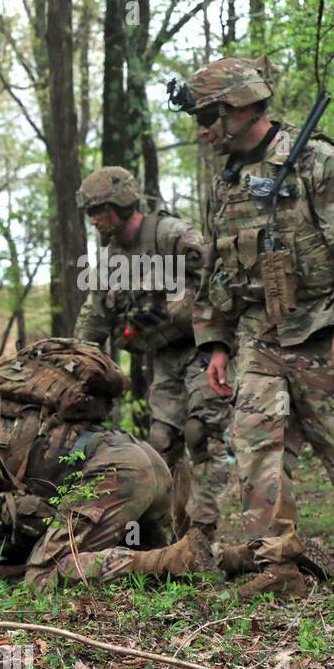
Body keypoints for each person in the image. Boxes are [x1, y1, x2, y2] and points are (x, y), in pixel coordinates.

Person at [176, 56, 334, 598]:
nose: (203, 131)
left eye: (208, 117)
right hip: (258, 338)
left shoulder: (316, 162)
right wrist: (215, 342)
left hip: (324, 331)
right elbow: (216, 270)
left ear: (239, 108)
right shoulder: (228, 182)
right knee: (254, 445)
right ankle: (278, 566)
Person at [0, 342, 214, 596]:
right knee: (163, 577)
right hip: (146, 459)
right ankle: (236, 558)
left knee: (44, 577)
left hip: (115, 474)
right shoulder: (3, 417)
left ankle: (177, 558)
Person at [74, 165, 230, 540]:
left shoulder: (171, 235)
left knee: (200, 433)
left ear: (121, 205)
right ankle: (164, 535)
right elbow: (93, 318)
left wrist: (217, 336)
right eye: (90, 213)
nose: (94, 220)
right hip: (164, 360)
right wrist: (74, 362)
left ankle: (203, 534)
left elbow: (219, 277)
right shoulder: (111, 261)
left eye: (99, 210)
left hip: (202, 349)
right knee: (160, 443)